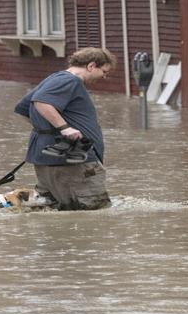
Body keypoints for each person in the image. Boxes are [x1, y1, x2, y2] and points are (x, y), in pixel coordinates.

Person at [14, 48, 116, 210]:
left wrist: (47, 131)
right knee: (94, 212)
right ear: (91, 66)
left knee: (51, 210)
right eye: (104, 71)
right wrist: (64, 129)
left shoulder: (55, 78)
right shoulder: (71, 80)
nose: (105, 76)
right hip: (73, 160)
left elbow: (24, 108)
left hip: (47, 157)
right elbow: (41, 103)